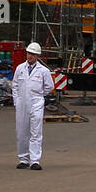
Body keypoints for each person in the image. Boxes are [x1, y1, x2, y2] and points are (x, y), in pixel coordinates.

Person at [13, 42, 55, 170]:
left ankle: (35, 160)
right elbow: (14, 85)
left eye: (32, 54)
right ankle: (23, 159)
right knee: (21, 132)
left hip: (36, 103)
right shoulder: (20, 68)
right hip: (22, 104)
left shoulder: (43, 71)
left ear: (37, 56)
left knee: (36, 132)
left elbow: (49, 86)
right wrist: (16, 100)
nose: (29, 56)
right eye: (28, 53)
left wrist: (39, 96)